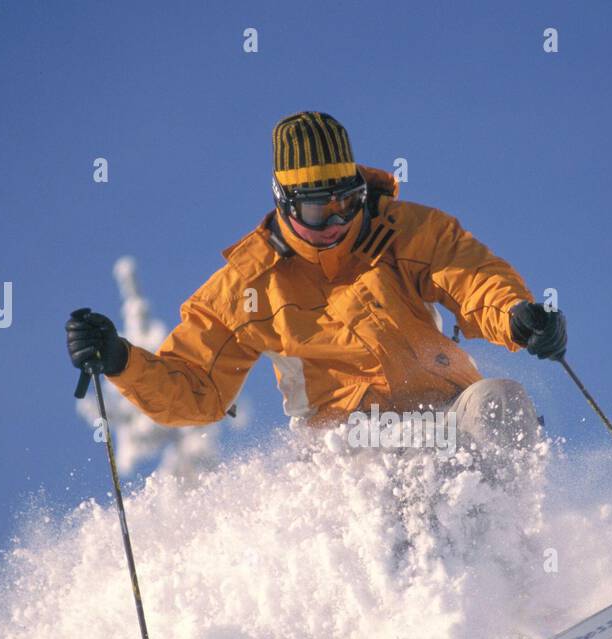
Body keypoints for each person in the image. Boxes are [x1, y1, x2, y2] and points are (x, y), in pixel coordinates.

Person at [66, 110, 566, 463]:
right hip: (348, 439)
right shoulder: (250, 284)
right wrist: (121, 360)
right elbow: (197, 391)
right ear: (284, 202)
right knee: (385, 464)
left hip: (447, 414)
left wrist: (516, 316)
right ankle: (402, 594)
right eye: (316, 210)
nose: (335, 221)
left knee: (500, 402)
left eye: (346, 202)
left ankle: (513, 574)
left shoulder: (400, 230)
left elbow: (471, 277)